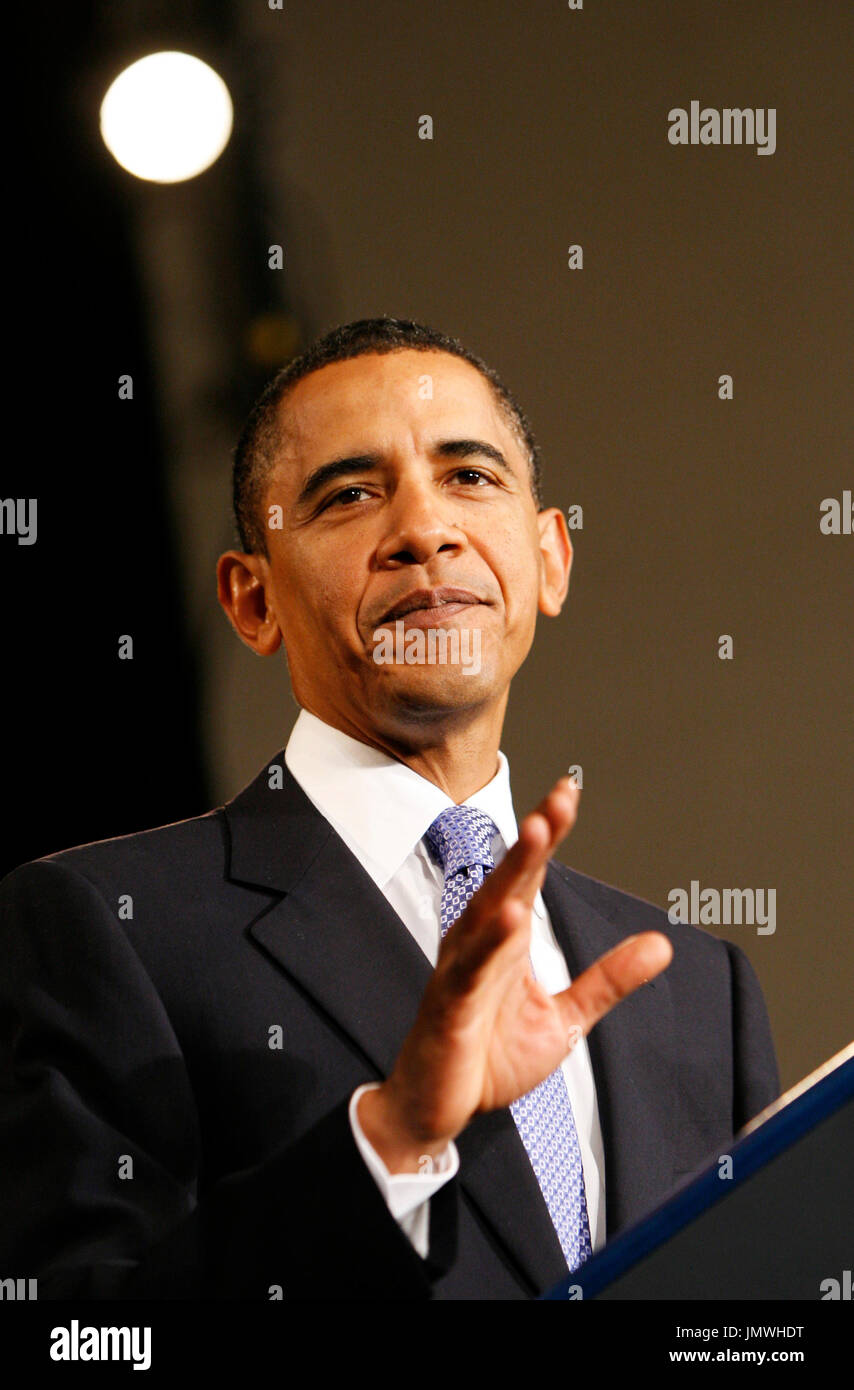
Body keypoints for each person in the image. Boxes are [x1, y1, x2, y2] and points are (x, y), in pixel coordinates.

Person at [0, 318, 779, 1300]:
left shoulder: (697, 990)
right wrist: (391, 1138)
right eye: (351, 494)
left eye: (469, 477)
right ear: (251, 602)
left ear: (549, 561)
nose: (423, 529)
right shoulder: (111, 926)